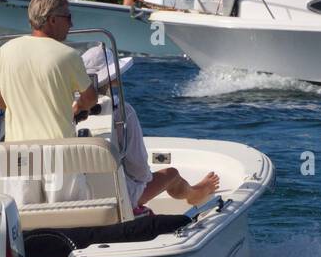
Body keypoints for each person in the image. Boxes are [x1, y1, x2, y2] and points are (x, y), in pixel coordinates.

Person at [80, 44, 219, 213]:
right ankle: (195, 193)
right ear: (115, 78)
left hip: (79, 196)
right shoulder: (122, 112)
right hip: (119, 198)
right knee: (171, 174)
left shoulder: (70, 111)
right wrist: (146, 179)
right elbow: (138, 169)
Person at [0, 0, 97, 142]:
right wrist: (77, 108)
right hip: (58, 150)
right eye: (68, 17)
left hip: (18, 151)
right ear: (52, 20)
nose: (71, 24)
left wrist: (23, 111)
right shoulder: (68, 55)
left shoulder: (4, 51)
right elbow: (90, 98)